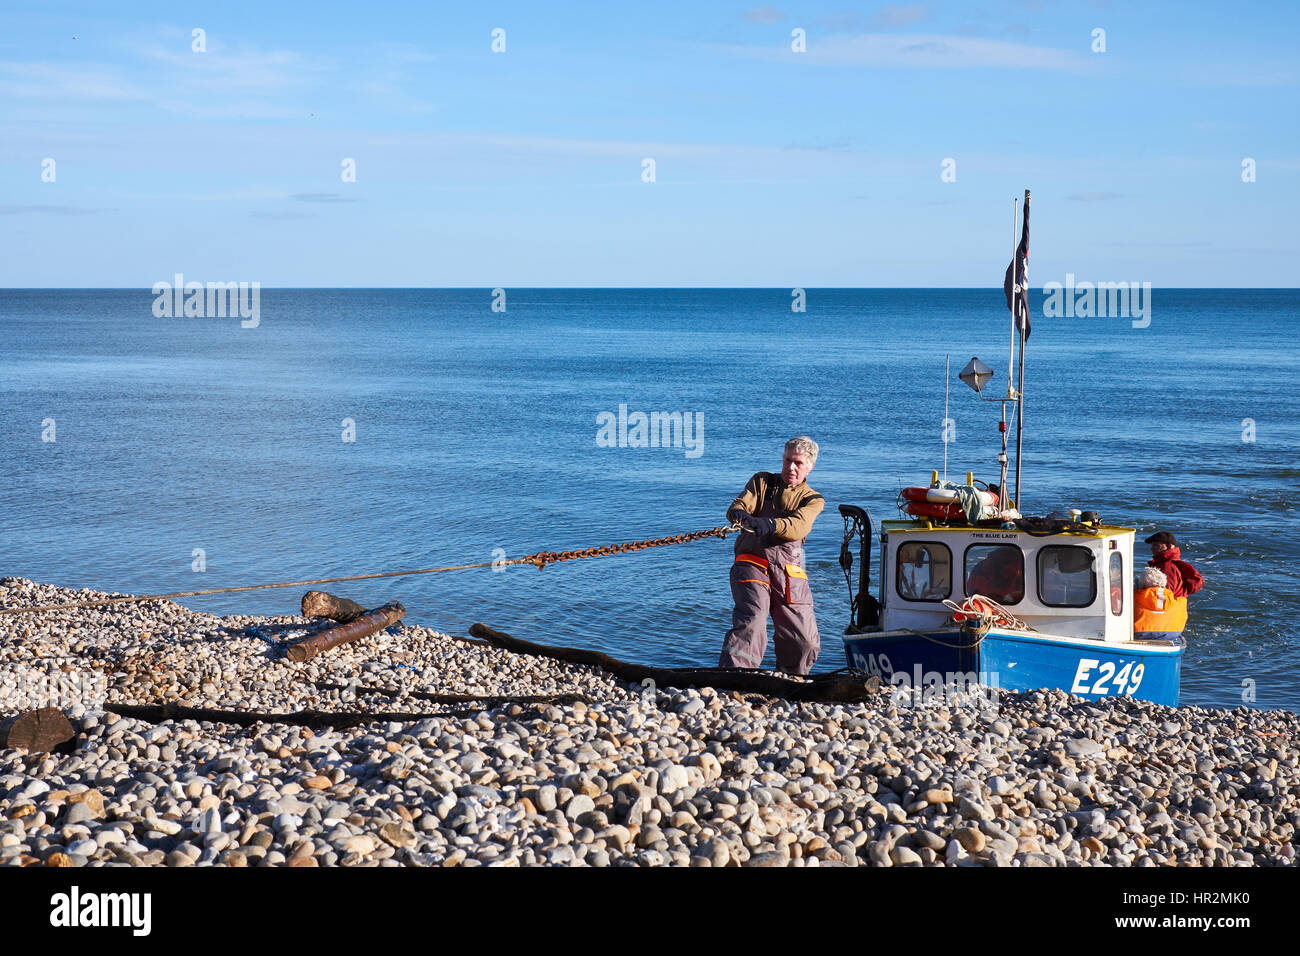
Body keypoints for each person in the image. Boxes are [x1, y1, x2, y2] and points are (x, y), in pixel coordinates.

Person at [719, 436, 825, 675]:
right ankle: (734, 675)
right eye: (787, 460)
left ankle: (793, 677)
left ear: (810, 465)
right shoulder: (762, 481)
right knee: (754, 619)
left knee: (805, 639)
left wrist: (770, 524)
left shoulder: (813, 500)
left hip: (789, 571)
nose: (790, 467)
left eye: (797, 462)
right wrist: (739, 514)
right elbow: (740, 504)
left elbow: (799, 526)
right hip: (752, 562)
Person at [1145, 531, 1204, 599]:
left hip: (1167, 607)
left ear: (1169, 546)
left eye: (1155, 545)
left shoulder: (1166, 567)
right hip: (1176, 606)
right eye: (1152, 545)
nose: (1151, 548)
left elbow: (1166, 594)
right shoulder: (1170, 563)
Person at [1133, 566, 1185, 642]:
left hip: (1140, 634)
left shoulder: (1133, 597)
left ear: (1143, 584)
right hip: (1171, 635)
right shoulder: (1180, 602)